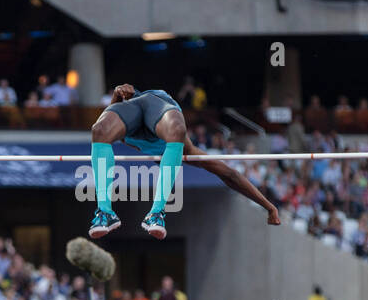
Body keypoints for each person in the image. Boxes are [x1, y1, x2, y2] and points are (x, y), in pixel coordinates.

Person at [88, 83, 280, 240]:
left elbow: (109, 126)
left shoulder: (151, 144)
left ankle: (148, 213)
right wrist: (269, 207)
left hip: (147, 106)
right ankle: (111, 213)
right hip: (150, 104)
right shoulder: (186, 149)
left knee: (100, 131)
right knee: (101, 131)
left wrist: (117, 96)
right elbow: (229, 174)